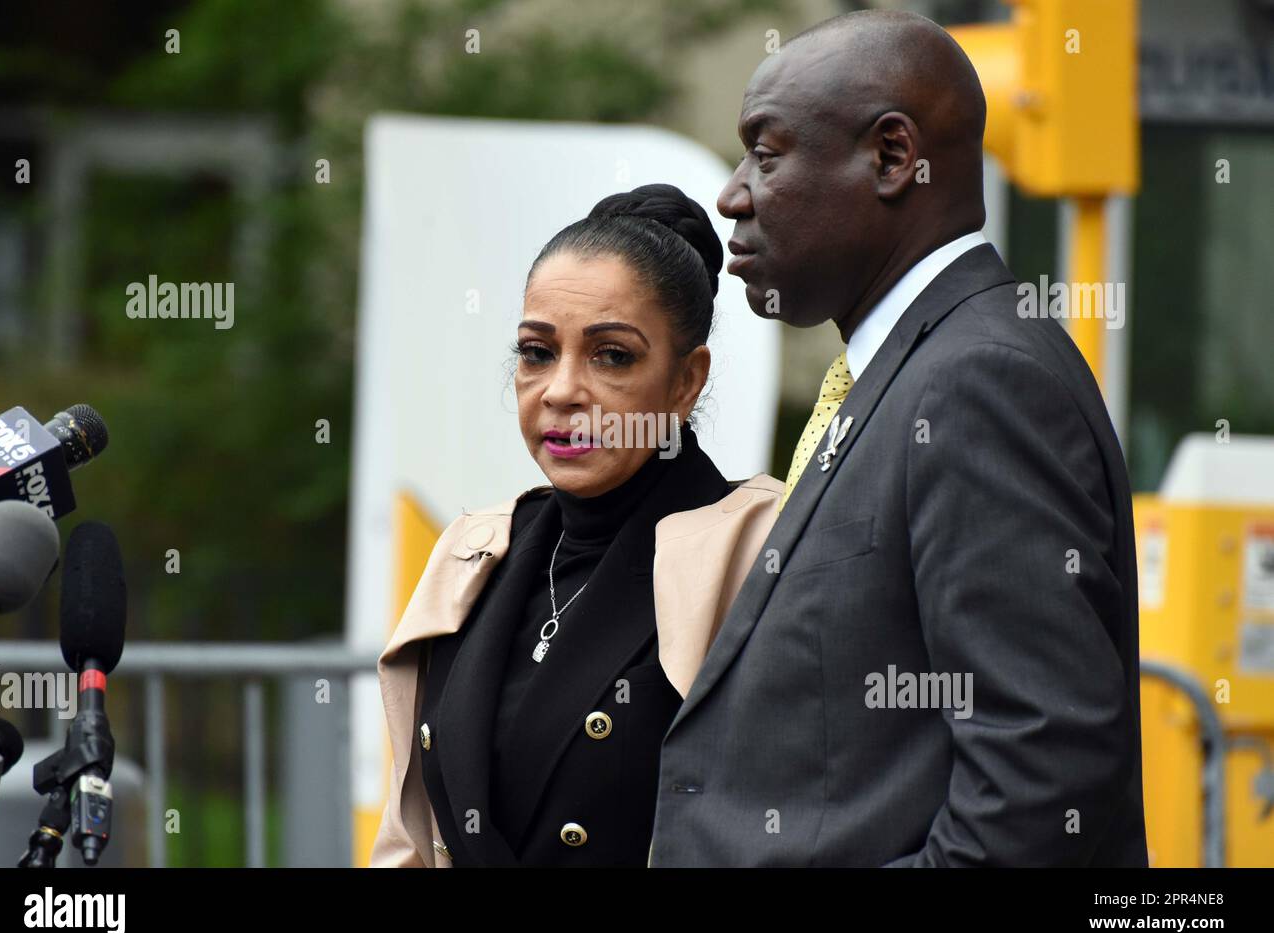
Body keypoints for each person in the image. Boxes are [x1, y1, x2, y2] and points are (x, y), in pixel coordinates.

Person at [649, 11, 1148, 866]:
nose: (732, 195)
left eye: (765, 155)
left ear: (890, 158)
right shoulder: (913, 371)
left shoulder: (979, 380)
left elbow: (1038, 790)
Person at [370, 184, 783, 867]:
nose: (560, 390)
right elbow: (409, 839)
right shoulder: (476, 550)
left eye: (611, 355)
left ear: (686, 381)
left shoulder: (757, 546)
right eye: (536, 352)